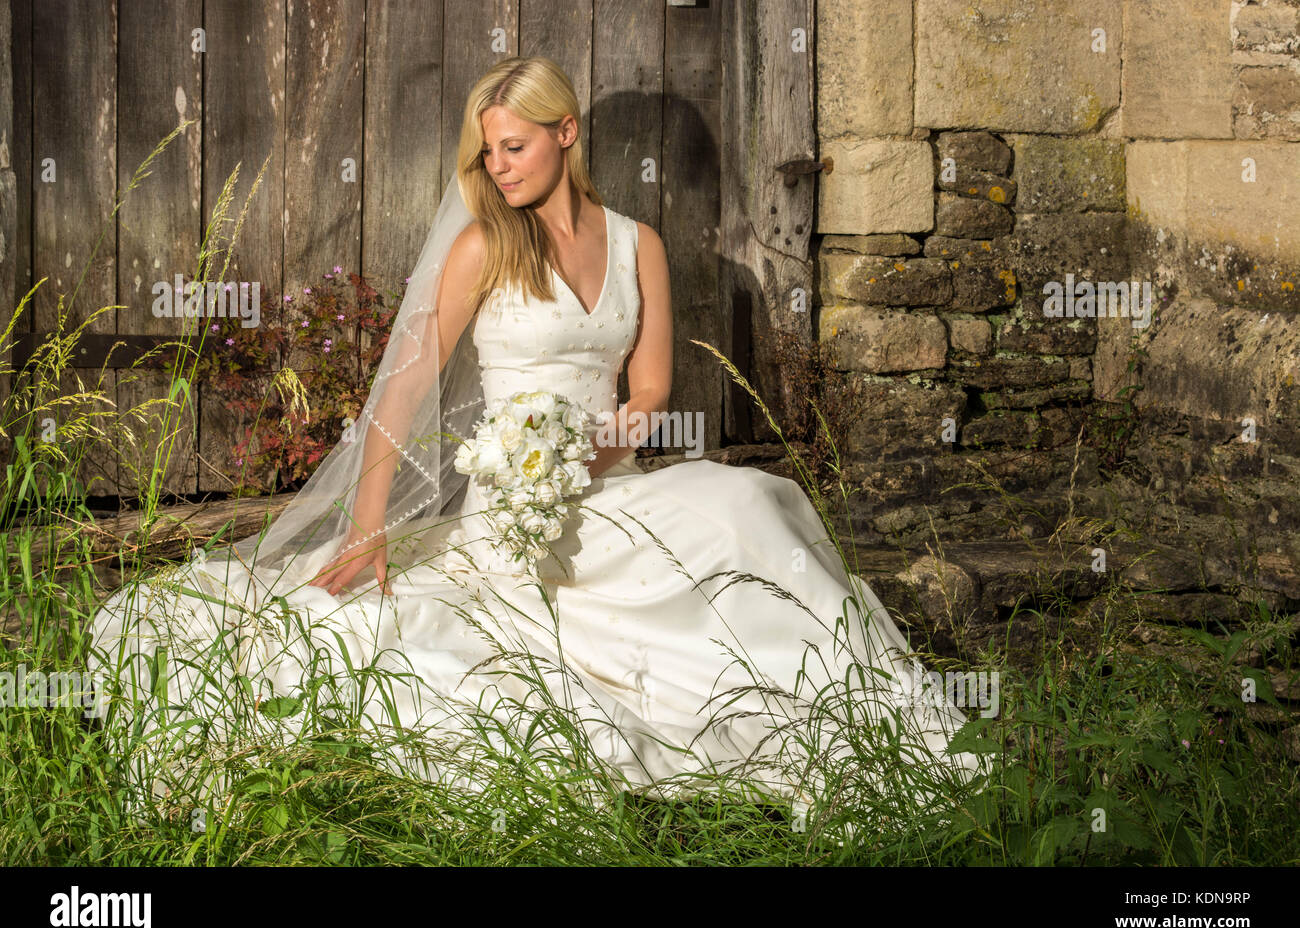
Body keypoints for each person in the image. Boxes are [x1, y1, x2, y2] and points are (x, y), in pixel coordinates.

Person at [89, 56, 986, 818]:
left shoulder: (641, 246)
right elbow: (402, 392)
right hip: (509, 508)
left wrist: (579, 454)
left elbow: (650, 392)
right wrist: (367, 524)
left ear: (566, 133)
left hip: (608, 483)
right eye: (489, 151)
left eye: (513, 147)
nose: (499, 166)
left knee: (750, 501)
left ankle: (853, 715)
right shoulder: (484, 247)